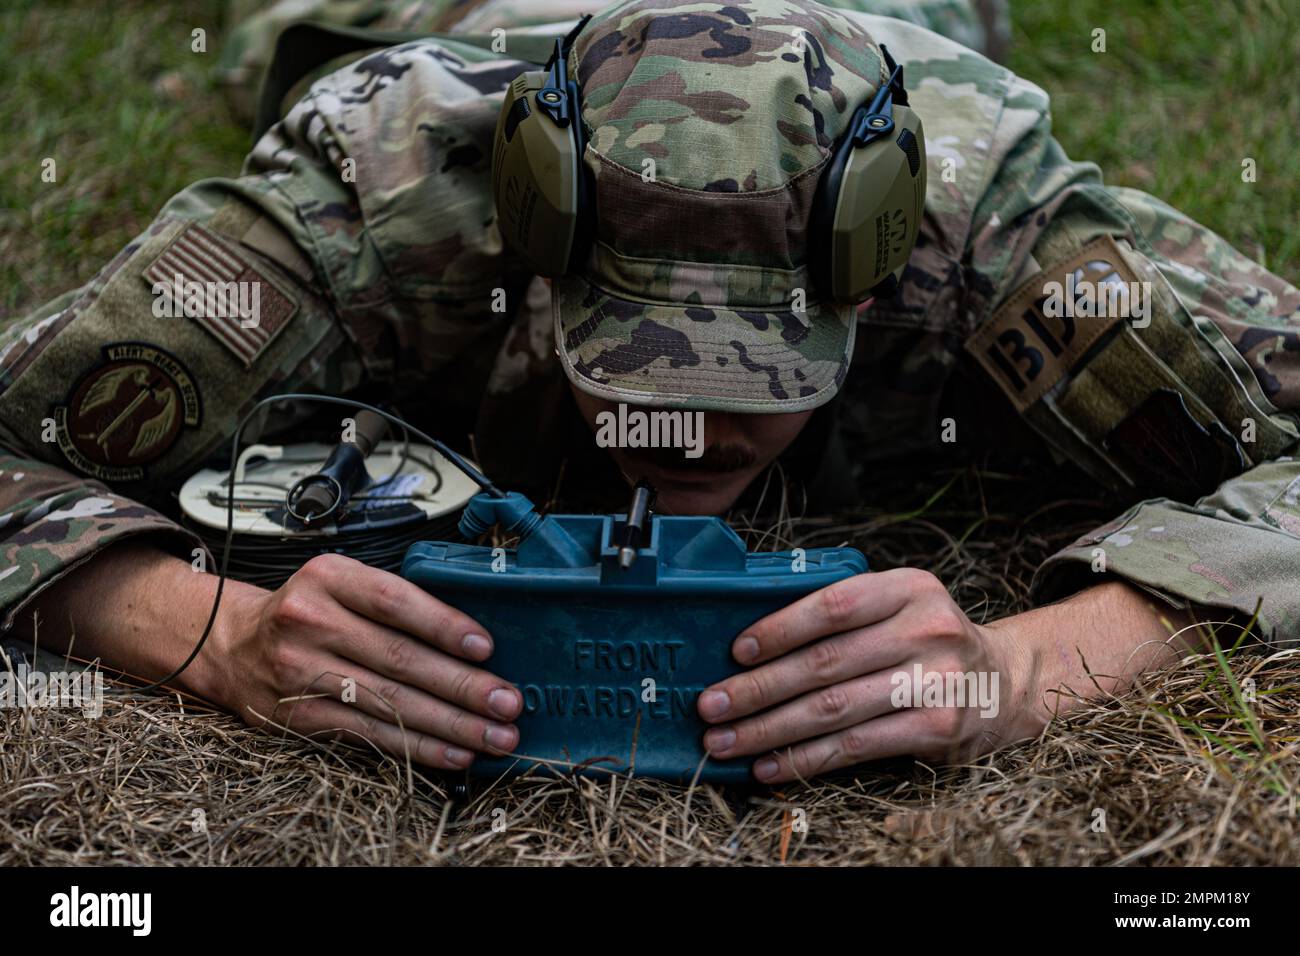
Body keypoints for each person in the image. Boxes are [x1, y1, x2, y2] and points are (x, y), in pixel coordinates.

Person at [1, 0, 1297, 784]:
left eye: (753, 367)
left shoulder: (997, 234)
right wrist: (209, 635)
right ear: (537, 243)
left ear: (878, 268)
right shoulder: (380, 205)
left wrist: (1029, 670)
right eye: (640, 349)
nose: (687, 427)